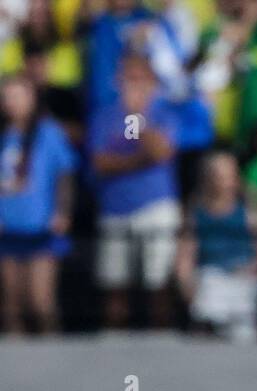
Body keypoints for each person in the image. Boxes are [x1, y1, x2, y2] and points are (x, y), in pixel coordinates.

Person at [88, 53, 181, 329]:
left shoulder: (164, 113)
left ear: (152, 82)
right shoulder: (104, 115)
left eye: (139, 78)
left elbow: (161, 152)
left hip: (156, 207)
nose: (132, 84)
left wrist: (138, 119)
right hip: (115, 207)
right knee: (114, 283)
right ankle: (115, 347)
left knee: (159, 282)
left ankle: (162, 341)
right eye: (127, 78)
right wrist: (138, 161)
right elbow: (100, 162)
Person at [0, 71, 76, 334]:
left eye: (18, 95)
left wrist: (62, 211)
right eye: (7, 97)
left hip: (40, 223)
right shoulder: (4, 135)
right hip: (7, 225)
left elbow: (64, 173)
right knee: (11, 302)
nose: (12, 102)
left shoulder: (48, 132)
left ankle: (53, 358)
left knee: (40, 300)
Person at [177, 150, 257, 341]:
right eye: (218, 175)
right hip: (209, 276)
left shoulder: (248, 207)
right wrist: (185, 281)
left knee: (243, 335)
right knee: (209, 307)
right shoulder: (194, 209)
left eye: (228, 175)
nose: (223, 181)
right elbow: (186, 251)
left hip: (242, 276)